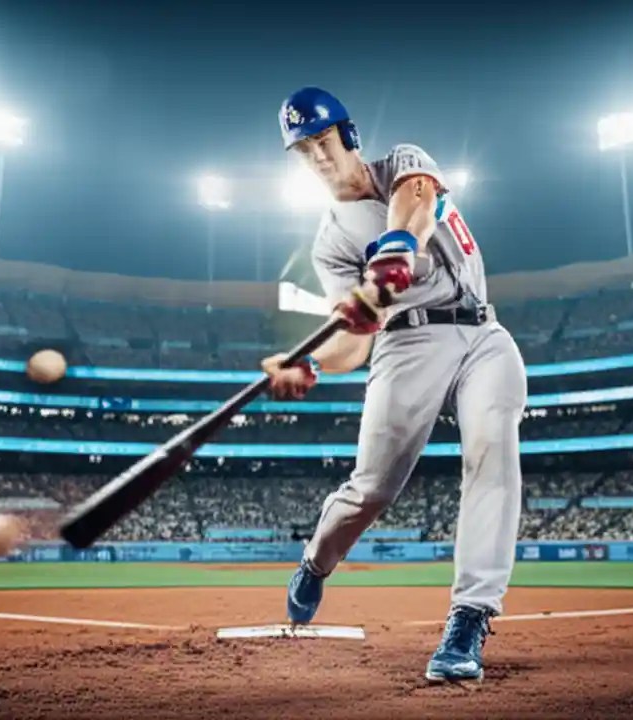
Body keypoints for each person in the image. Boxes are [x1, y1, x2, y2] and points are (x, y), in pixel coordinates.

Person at [260, 87, 528, 683]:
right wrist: (312, 365)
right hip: (408, 344)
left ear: (349, 136)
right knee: (373, 487)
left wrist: (397, 248)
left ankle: (469, 616)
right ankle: (315, 561)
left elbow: (418, 203)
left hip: (484, 331)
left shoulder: (403, 164)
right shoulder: (331, 242)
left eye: (324, 142)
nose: (319, 159)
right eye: (303, 152)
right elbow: (354, 337)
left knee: (492, 451)